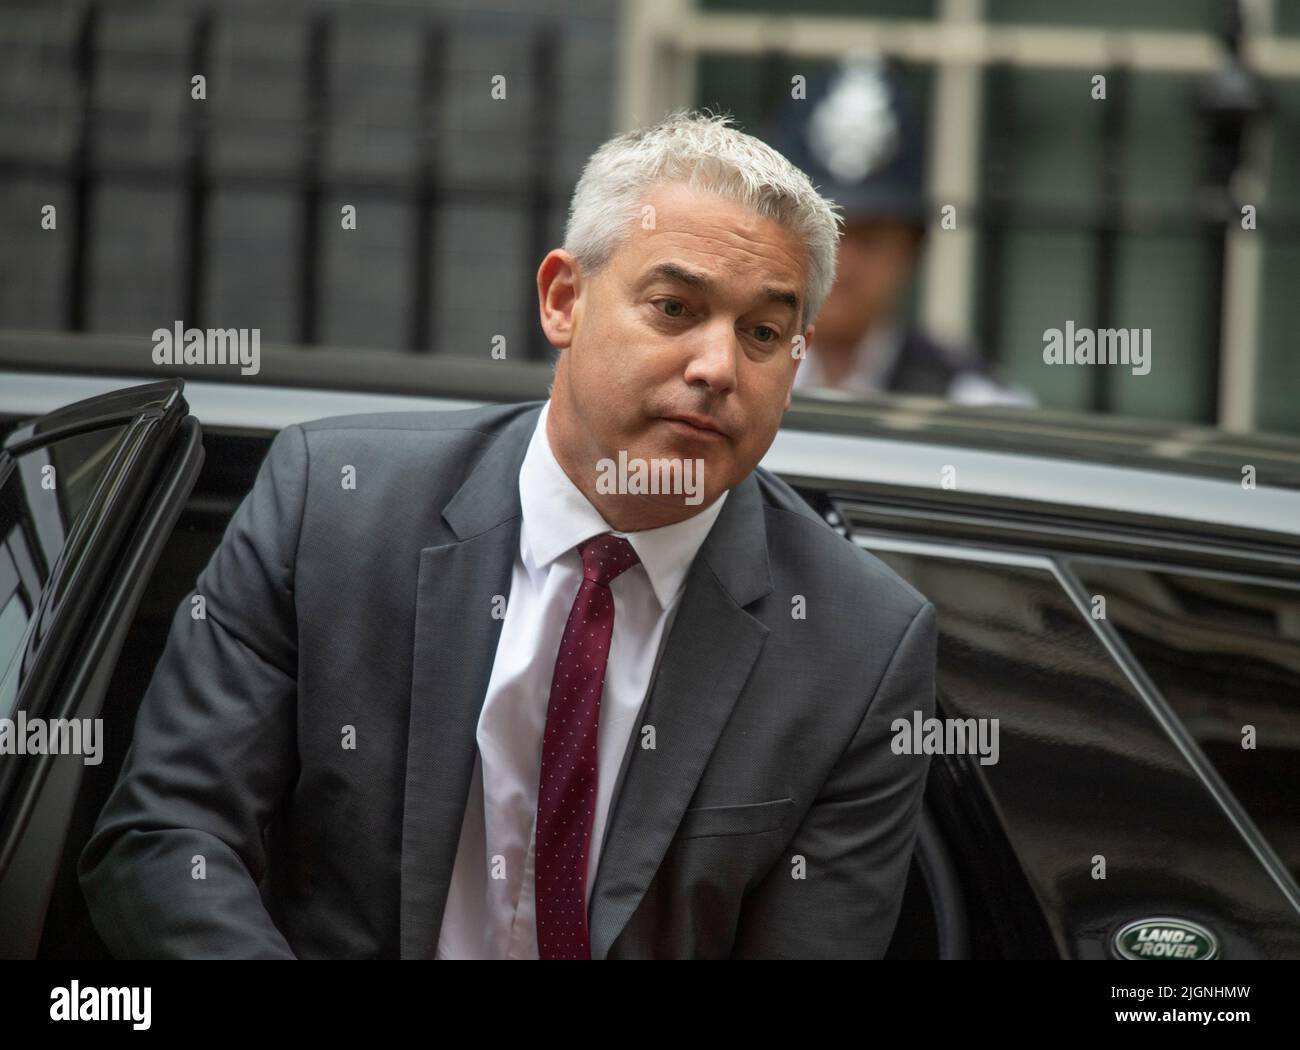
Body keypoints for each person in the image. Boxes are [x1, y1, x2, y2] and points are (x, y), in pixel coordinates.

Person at [78, 111, 938, 960]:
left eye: (762, 333)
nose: (718, 367)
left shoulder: (857, 644)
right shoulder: (333, 509)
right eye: (675, 307)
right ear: (564, 299)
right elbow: (167, 839)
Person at [772, 55, 1034, 406]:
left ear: (913, 249)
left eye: (870, 239)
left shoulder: (973, 405)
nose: (840, 265)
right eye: (824, 234)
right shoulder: (734, 380)